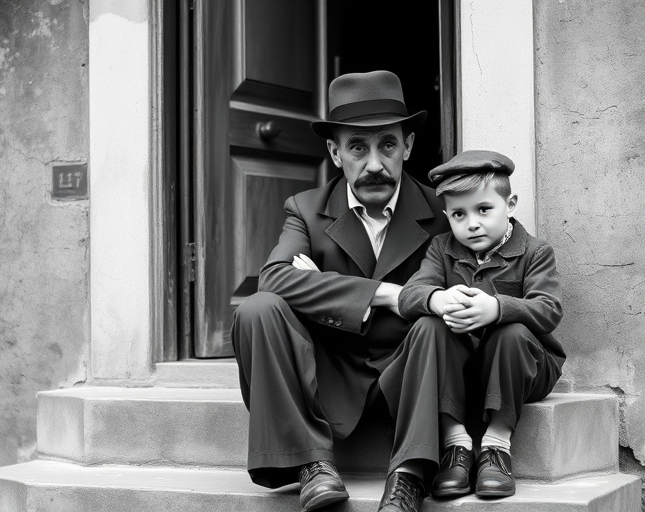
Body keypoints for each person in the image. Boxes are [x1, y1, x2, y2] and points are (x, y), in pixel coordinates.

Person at [232, 70, 466, 512]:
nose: (374, 164)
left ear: (409, 147)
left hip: (414, 369)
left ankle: (409, 479)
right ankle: (312, 465)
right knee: (258, 309)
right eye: (358, 147)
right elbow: (276, 278)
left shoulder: (443, 210)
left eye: (388, 146)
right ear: (335, 152)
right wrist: (390, 295)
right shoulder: (305, 208)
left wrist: (320, 285)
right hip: (330, 373)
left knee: (435, 327)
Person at [397, 150, 565, 498]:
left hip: (524, 368)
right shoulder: (441, 249)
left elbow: (549, 309)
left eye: (483, 210)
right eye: (459, 214)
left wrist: (497, 308)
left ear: (511, 204)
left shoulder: (535, 251)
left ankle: (496, 447)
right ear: (447, 216)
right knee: (429, 326)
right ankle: (456, 445)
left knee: (512, 331)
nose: (471, 223)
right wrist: (436, 299)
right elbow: (408, 295)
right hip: (463, 373)